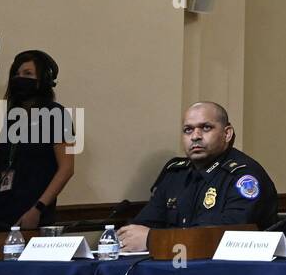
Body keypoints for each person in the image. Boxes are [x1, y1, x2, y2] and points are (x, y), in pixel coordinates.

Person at [118, 102, 277, 252]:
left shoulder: (244, 176)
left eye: (206, 127)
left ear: (227, 134)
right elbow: (142, 225)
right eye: (188, 130)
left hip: (230, 272)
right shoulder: (175, 175)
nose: (195, 136)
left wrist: (153, 239)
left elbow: (227, 236)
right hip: (178, 263)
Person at [0, 51, 74, 229]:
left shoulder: (56, 114)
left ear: (43, 80)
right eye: (16, 74)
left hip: (30, 212)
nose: (20, 78)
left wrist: (38, 209)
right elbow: (4, 161)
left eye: (28, 74)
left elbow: (67, 168)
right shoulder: (13, 117)